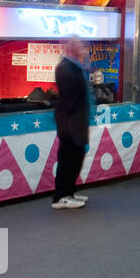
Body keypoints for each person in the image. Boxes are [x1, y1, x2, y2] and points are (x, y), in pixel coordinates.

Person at [52, 38, 92, 209]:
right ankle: (61, 196)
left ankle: (70, 191)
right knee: (68, 159)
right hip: (70, 122)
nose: (83, 49)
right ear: (72, 48)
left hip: (77, 121)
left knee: (76, 158)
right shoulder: (66, 68)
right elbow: (70, 99)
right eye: (80, 46)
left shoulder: (76, 67)